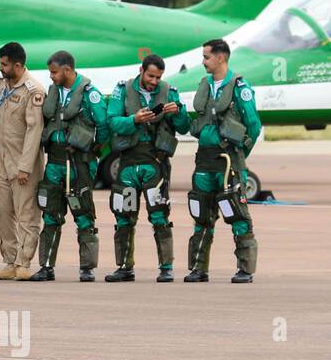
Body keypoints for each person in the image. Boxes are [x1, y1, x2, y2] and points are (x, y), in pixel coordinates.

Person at [105, 53, 190, 282]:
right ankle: (124, 267)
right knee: (125, 216)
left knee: (159, 215)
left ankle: (166, 267)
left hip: (155, 165)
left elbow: (184, 128)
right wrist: (134, 120)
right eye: (151, 76)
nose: (154, 81)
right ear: (141, 70)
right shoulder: (122, 90)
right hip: (129, 165)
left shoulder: (170, 91)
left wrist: (178, 112)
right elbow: (111, 121)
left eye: (158, 77)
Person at [25, 50, 109, 282]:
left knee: (83, 214)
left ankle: (87, 268)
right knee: (51, 214)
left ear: (67, 70)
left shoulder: (90, 94)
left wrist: (94, 150)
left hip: (79, 163)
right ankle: (47, 266)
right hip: (55, 161)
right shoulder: (53, 92)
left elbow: (103, 124)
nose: (51, 76)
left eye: (54, 72)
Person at [185, 39, 262, 283]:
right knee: (201, 215)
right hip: (204, 160)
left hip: (228, 161)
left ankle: (245, 270)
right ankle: (198, 269)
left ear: (220, 58)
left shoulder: (240, 86)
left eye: (206, 57)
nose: (203, 61)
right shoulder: (205, 85)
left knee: (237, 215)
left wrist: (240, 156)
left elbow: (253, 125)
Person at [0, 42, 45, 279]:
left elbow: (34, 131)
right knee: (2, 213)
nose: (1, 68)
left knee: (26, 214)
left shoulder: (33, 91)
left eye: (5, 64)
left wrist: (25, 167)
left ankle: (24, 262)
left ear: (18, 65)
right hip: (2, 160)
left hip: (23, 163)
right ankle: (10, 259)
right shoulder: (1, 85)